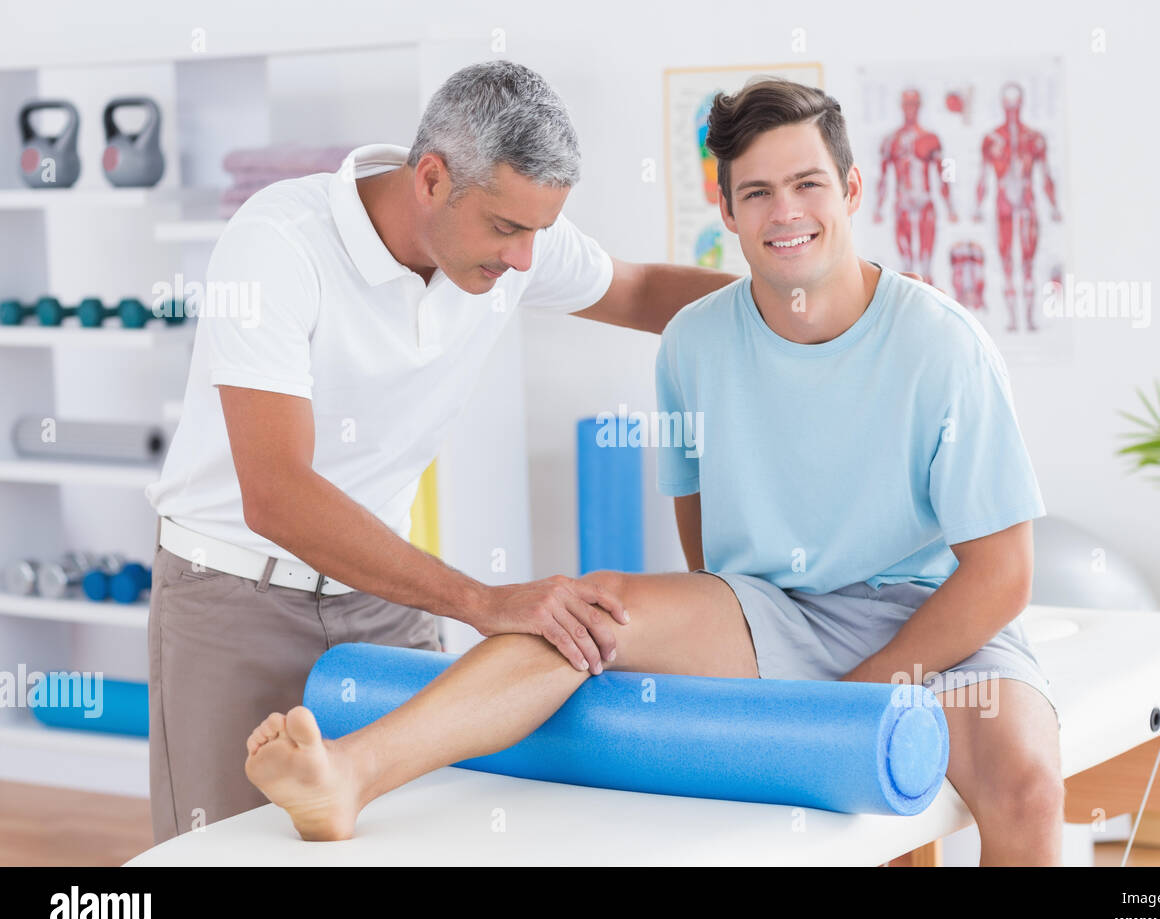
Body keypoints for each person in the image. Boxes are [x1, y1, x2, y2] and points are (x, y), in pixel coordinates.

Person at [245, 77, 1064, 865]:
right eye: (757, 193)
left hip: (939, 621)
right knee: (588, 610)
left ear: (850, 191)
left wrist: (857, 694)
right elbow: (705, 553)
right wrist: (742, 648)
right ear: (727, 209)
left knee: (1027, 787)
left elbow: (1001, 576)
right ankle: (350, 773)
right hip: (776, 611)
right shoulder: (695, 344)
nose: (786, 213)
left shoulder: (942, 345)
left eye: (808, 184)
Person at [143, 60, 739, 843]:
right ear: (430, 179)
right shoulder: (277, 246)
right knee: (229, 851)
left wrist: (823, 298)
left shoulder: (505, 241)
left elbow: (638, 292)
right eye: (507, 229)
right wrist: (485, 602)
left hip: (385, 601)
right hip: (236, 599)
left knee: (411, 839)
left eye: (540, 231)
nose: (525, 259)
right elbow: (278, 493)